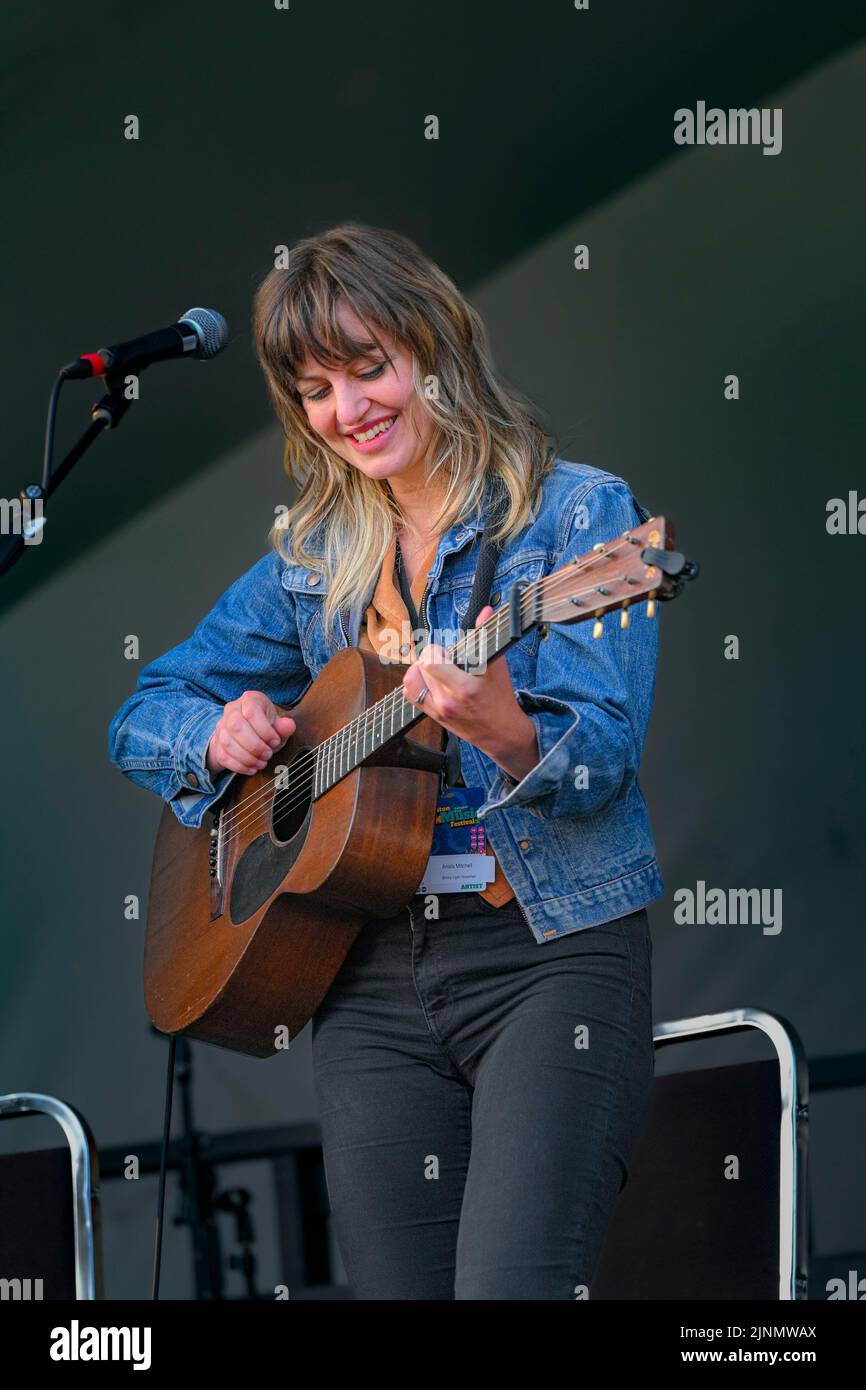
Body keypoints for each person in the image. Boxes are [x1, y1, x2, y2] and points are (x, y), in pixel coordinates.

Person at [108, 222, 663, 1300]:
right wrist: (214, 738)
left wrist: (501, 725)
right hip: (365, 977)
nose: (347, 409)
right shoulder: (313, 562)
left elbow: (599, 764)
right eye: (315, 388)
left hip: (542, 954)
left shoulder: (575, 519)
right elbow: (142, 710)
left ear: (436, 347)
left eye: (369, 367)